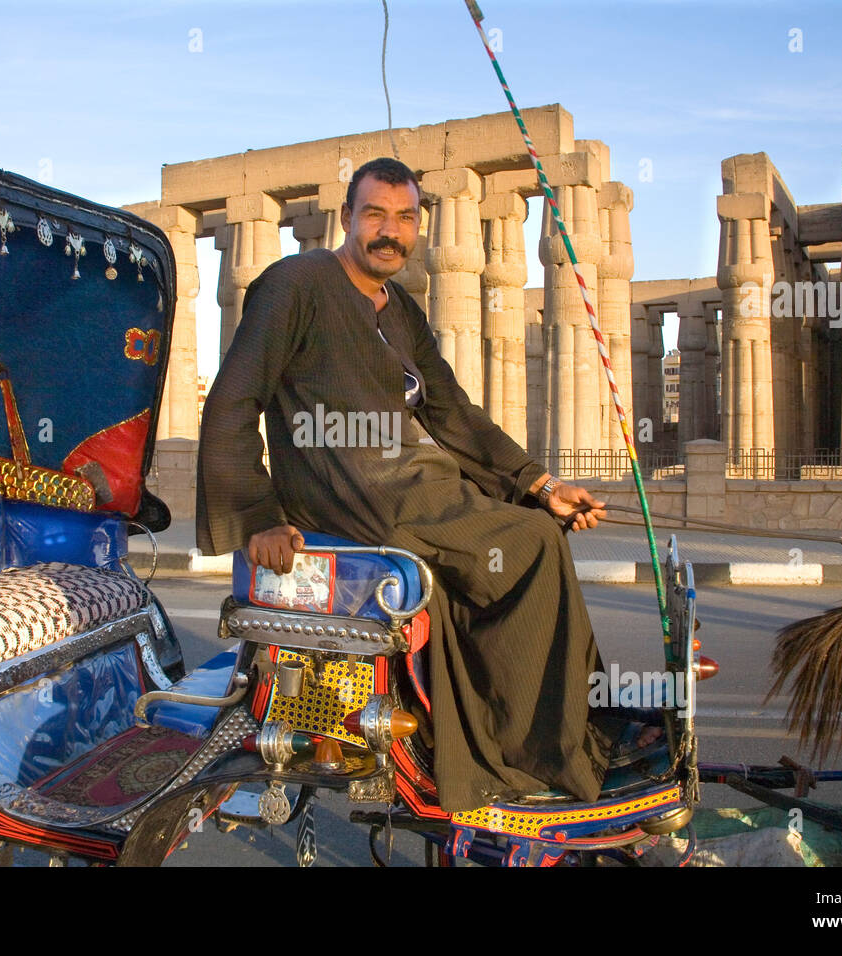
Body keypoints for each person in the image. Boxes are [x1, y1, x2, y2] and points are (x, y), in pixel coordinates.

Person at [197, 156, 636, 812]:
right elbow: (232, 400)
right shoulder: (297, 283)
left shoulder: (400, 307)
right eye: (374, 214)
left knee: (530, 524)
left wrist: (540, 484)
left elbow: (450, 411)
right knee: (531, 545)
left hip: (409, 488)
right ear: (345, 219)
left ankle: (530, 730)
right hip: (352, 494)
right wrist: (257, 516)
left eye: (405, 219)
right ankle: (533, 752)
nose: (389, 232)